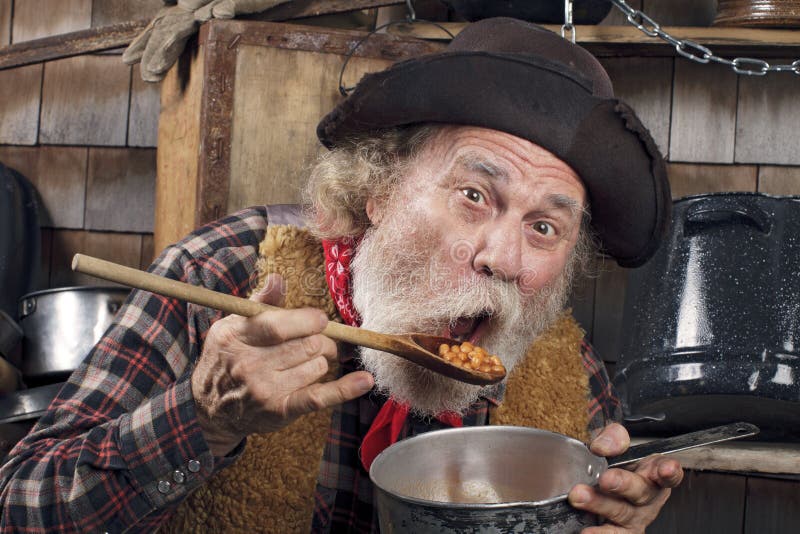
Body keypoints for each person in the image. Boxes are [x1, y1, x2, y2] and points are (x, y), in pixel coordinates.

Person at [0, 17, 680, 533]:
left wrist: (609, 510)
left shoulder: (561, 357)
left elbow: (607, 493)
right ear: (377, 193)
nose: (500, 258)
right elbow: (22, 506)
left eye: (544, 227)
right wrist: (204, 420)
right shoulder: (225, 274)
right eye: (474, 195)